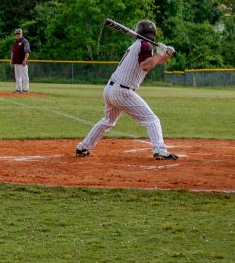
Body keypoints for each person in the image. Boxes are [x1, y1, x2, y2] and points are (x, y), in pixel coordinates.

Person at [75, 20, 179, 160]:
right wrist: (159, 54)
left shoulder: (140, 44)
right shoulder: (145, 45)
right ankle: (159, 150)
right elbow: (146, 65)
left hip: (110, 89)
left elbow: (154, 61)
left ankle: (83, 147)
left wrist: (166, 54)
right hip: (123, 92)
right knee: (152, 120)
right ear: (153, 34)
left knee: (108, 121)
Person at [9, 28, 31, 93]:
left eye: (19, 33)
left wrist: (25, 60)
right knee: (17, 76)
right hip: (16, 62)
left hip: (22, 62)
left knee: (24, 76)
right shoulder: (15, 42)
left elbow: (27, 52)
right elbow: (13, 52)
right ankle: (18, 89)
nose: (18, 35)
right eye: (17, 34)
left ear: (22, 34)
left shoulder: (25, 41)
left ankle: (26, 89)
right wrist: (11, 59)